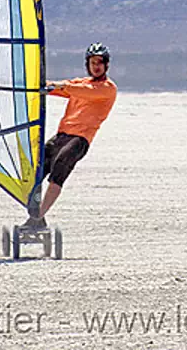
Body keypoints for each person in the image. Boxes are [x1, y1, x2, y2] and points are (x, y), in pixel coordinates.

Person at [23, 42, 118, 229]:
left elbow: (77, 90)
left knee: (59, 169)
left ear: (106, 65)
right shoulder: (80, 83)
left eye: (99, 62)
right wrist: (35, 86)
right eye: (92, 62)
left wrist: (61, 86)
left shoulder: (107, 89)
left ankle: (37, 217)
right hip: (61, 136)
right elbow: (58, 88)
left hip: (79, 140)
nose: (96, 66)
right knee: (35, 170)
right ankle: (36, 216)